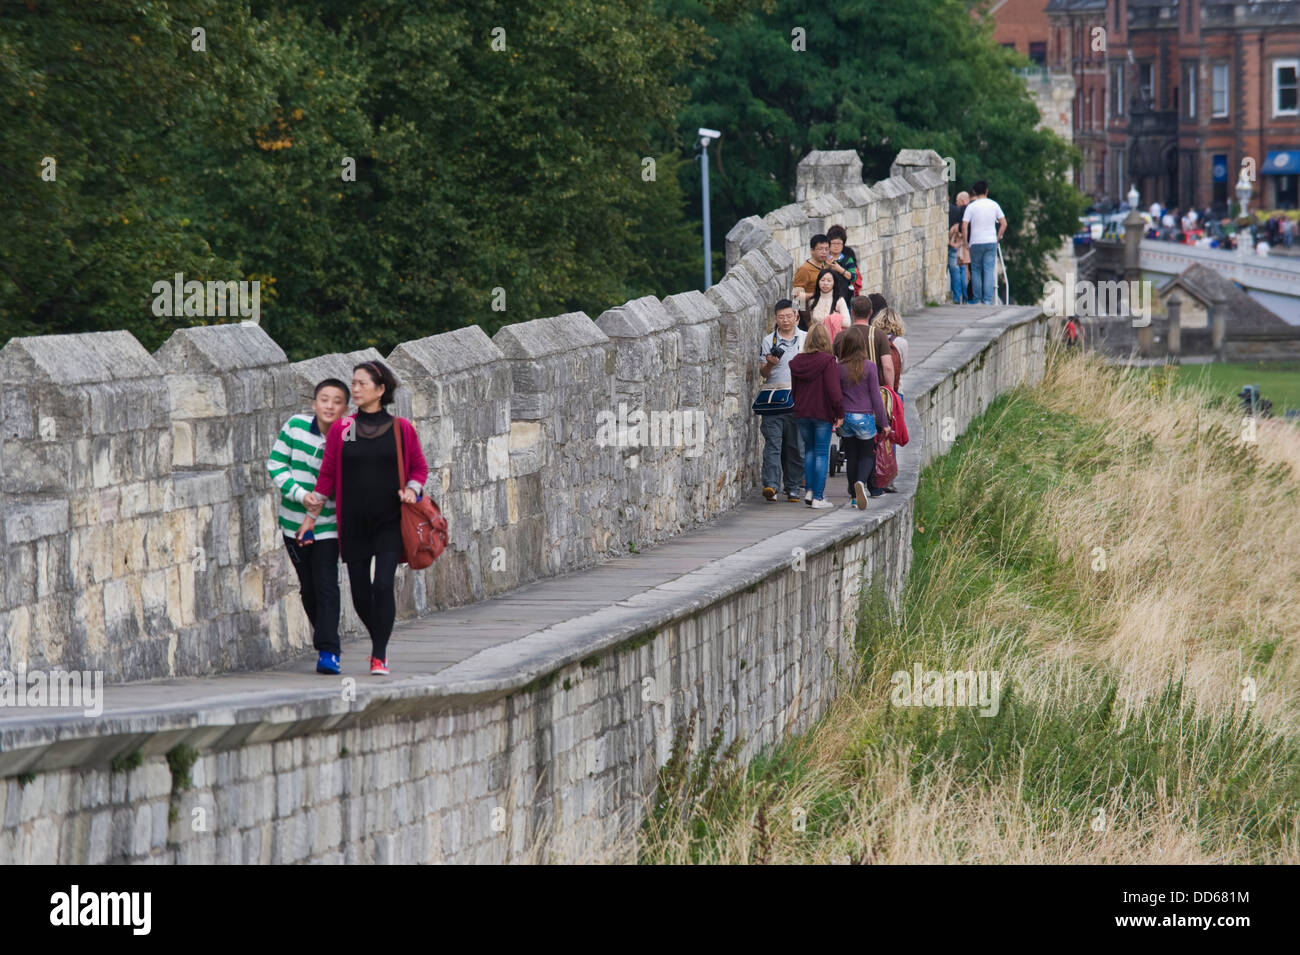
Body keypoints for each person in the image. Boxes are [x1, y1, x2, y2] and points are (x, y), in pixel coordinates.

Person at [314, 360, 429, 676]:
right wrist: (314, 504)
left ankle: (379, 654)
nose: (355, 389)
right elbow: (328, 473)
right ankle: (379, 638)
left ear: (380, 390)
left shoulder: (400, 429)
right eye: (353, 383)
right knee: (361, 594)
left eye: (362, 383)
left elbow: (419, 467)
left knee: (382, 585)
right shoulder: (344, 428)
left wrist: (412, 488)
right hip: (353, 522)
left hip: (390, 520)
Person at [267, 379, 349, 675]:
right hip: (292, 523)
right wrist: (302, 495)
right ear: (314, 404)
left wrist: (322, 500)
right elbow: (276, 464)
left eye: (336, 401)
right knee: (309, 587)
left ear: (346, 408)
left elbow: (352, 477)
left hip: (328, 525)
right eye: (324, 399)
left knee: (326, 583)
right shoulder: (295, 427)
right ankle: (323, 634)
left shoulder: (348, 436)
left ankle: (329, 650)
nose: (329, 406)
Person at [835, 325, 891, 509]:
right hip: (864, 417)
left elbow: (837, 395)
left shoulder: (839, 368)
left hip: (846, 417)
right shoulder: (869, 367)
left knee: (851, 456)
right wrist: (884, 422)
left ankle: (853, 496)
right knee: (868, 454)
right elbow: (876, 397)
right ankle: (861, 482)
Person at [788, 323, 843, 509]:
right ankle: (818, 497)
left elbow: (794, 391)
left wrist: (799, 407)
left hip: (802, 412)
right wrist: (840, 413)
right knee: (821, 454)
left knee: (809, 452)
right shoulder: (828, 362)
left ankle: (810, 491)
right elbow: (834, 391)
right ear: (826, 340)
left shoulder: (797, 361)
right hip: (822, 413)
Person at [758, 300, 807, 503]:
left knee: (795, 445)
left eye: (789, 316)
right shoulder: (769, 341)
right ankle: (771, 485)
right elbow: (763, 373)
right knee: (773, 442)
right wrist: (769, 364)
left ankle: (793, 487)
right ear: (776, 318)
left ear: (796, 316)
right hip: (774, 399)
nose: (785, 320)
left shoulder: (805, 339)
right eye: (781, 317)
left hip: (798, 397)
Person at [962, 180, 1007, 305]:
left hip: (975, 242)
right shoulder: (994, 205)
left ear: (974, 192)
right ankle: (987, 300)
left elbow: (964, 226)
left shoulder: (971, 207)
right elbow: (1003, 223)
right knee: (988, 269)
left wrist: (966, 242)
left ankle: (977, 299)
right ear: (987, 190)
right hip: (990, 241)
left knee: (976, 270)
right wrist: (997, 238)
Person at [792, 234, 832, 318]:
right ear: (812, 250)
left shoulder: (824, 266)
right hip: (808, 316)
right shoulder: (804, 269)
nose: (824, 252)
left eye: (827, 249)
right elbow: (796, 297)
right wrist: (801, 320)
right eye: (820, 249)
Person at [807, 268, 849, 341]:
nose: (825, 283)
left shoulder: (839, 301)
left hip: (834, 341)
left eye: (829, 281)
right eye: (822, 280)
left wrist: (832, 319)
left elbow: (847, 323)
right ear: (818, 282)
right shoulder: (812, 301)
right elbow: (812, 323)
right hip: (817, 340)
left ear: (834, 283)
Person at [826, 224, 860, 303]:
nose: (836, 246)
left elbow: (854, 277)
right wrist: (827, 266)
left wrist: (839, 269)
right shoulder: (825, 259)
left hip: (846, 297)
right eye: (833, 243)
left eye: (839, 243)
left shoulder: (848, 259)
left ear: (843, 244)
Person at [948, 190, 970, 304]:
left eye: (957, 201)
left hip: (956, 244)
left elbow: (953, 231)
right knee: (962, 270)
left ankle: (957, 297)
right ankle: (965, 297)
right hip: (964, 245)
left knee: (955, 270)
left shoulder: (956, 210)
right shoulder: (970, 210)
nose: (956, 203)